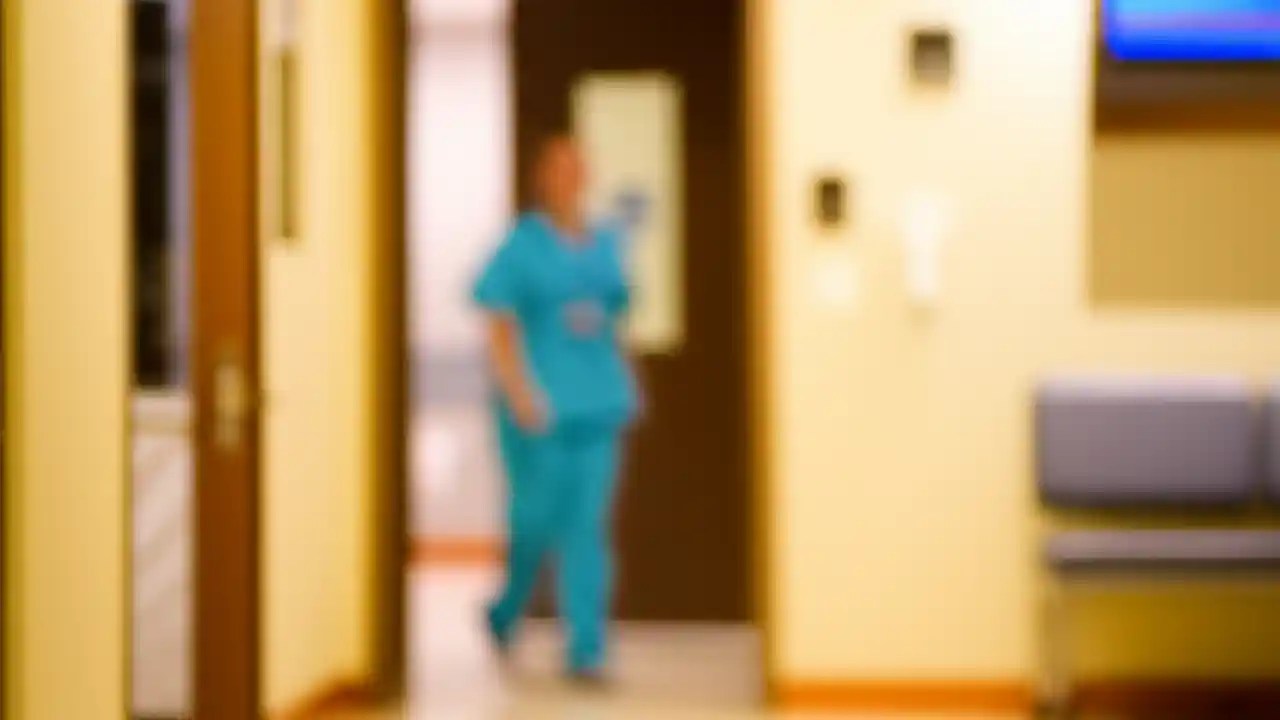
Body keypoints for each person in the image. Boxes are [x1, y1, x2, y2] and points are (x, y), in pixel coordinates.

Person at [473, 135, 638, 683]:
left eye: (577, 167)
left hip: (597, 405)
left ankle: (586, 651)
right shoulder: (522, 245)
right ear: (542, 177)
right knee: (533, 523)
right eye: (557, 167)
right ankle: (504, 612)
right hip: (537, 410)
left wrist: (623, 376)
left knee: (588, 529)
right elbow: (497, 320)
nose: (568, 177)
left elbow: (614, 318)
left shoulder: (606, 244)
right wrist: (520, 393)